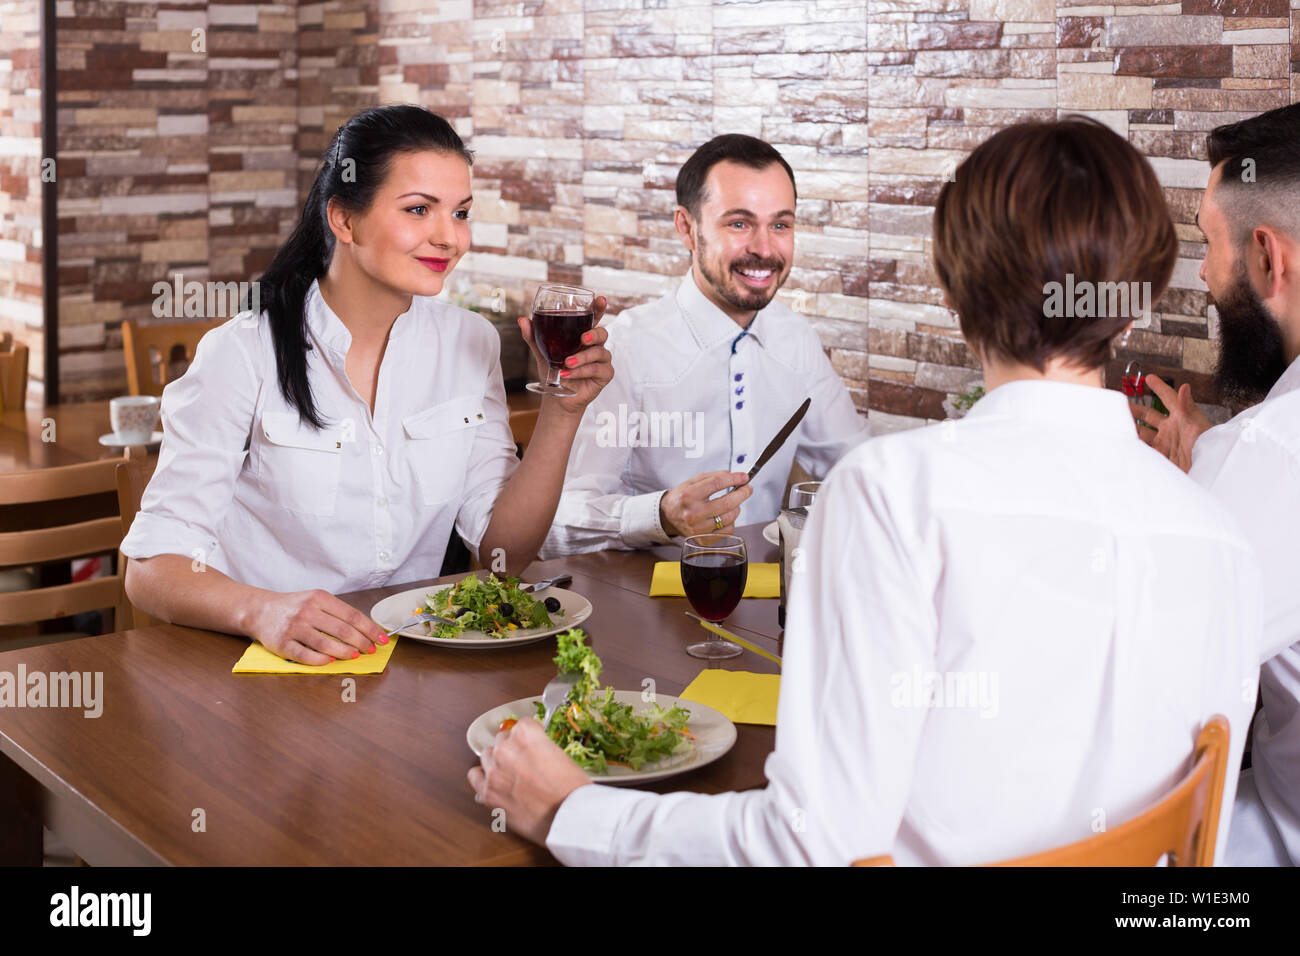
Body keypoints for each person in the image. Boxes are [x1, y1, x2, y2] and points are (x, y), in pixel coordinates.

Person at [468, 117, 1266, 865]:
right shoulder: (1224, 533)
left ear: (954, 292)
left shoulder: (890, 494)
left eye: (781, 222)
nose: (765, 244)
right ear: (1135, 304)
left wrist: (574, 812)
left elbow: (810, 845)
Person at [121, 106, 613, 666]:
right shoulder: (241, 352)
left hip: (411, 666)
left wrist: (562, 412)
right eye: (419, 210)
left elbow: (503, 556)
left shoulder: (470, 342)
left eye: (460, 212)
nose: (449, 237)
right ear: (344, 220)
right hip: (269, 672)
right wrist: (261, 610)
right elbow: (151, 567)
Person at [537, 135, 869, 557]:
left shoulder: (796, 338)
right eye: (739, 223)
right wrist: (660, 515)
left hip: (766, 608)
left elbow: (857, 469)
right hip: (644, 607)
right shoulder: (626, 348)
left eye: (780, 225)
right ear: (686, 228)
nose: (764, 249)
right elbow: (553, 524)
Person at [1131, 102, 1300, 866]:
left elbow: (1149, 675)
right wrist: (1216, 466)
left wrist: (1198, 491)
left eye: (1209, 244)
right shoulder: (1259, 452)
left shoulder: (1267, 449)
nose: (1204, 274)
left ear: (1269, 257)